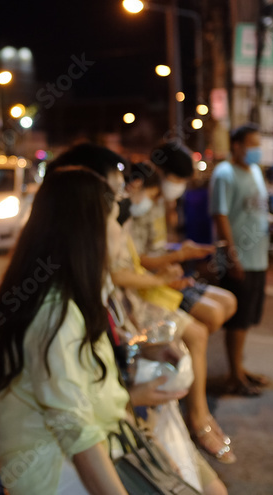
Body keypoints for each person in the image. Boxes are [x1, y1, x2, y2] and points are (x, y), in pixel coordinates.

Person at [0, 167, 226, 494]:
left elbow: (86, 391)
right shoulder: (56, 312)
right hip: (53, 472)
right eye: (112, 219)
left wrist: (138, 355)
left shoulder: (76, 295)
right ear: (87, 230)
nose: (121, 231)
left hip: (99, 442)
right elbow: (78, 435)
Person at [49, 144, 234, 464]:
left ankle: (188, 417)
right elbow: (80, 427)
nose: (122, 205)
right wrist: (133, 397)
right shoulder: (59, 309)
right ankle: (196, 418)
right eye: (116, 195)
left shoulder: (87, 281)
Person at [128, 157, 237, 334]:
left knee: (229, 302)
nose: (180, 186)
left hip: (165, 277)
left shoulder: (159, 202)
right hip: (151, 284)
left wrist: (180, 251)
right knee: (208, 321)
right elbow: (137, 259)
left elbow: (156, 249)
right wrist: (179, 256)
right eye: (178, 180)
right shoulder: (138, 207)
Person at [210, 123, 270, 397]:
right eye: (252, 145)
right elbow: (220, 215)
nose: (256, 150)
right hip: (238, 258)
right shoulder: (224, 174)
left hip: (258, 257)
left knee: (248, 318)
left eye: (258, 144)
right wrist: (232, 257)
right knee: (237, 319)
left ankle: (240, 370)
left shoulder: (255, 171)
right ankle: (234, 376)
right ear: (236, 146)